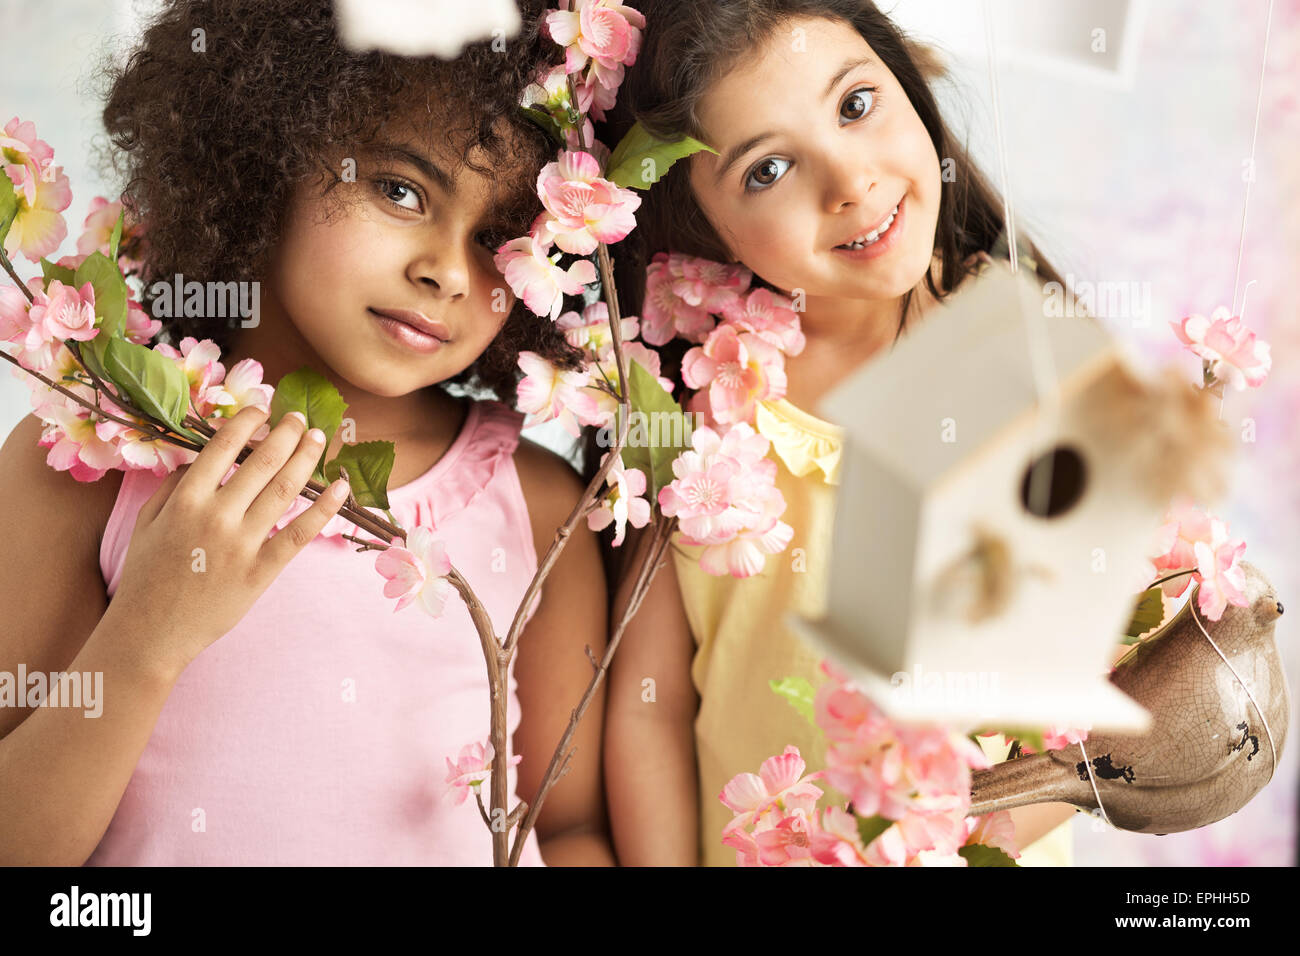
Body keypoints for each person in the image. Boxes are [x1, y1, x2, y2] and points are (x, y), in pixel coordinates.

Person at [0, 0, 612, 866]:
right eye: (400, 191)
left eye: (499, 239)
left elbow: (572, 823)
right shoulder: (85, 454)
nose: (444, 270)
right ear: (262, 156)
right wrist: (148, 635)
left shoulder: (540, 506)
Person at [591, 0, 1084, 866]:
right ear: (702, 227)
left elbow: (1104, 706)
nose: (850, 182)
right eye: (767, 169)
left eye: (856, 106)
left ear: (904, 81)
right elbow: (648, 705)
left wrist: (941, 848)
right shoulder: (688, 409)